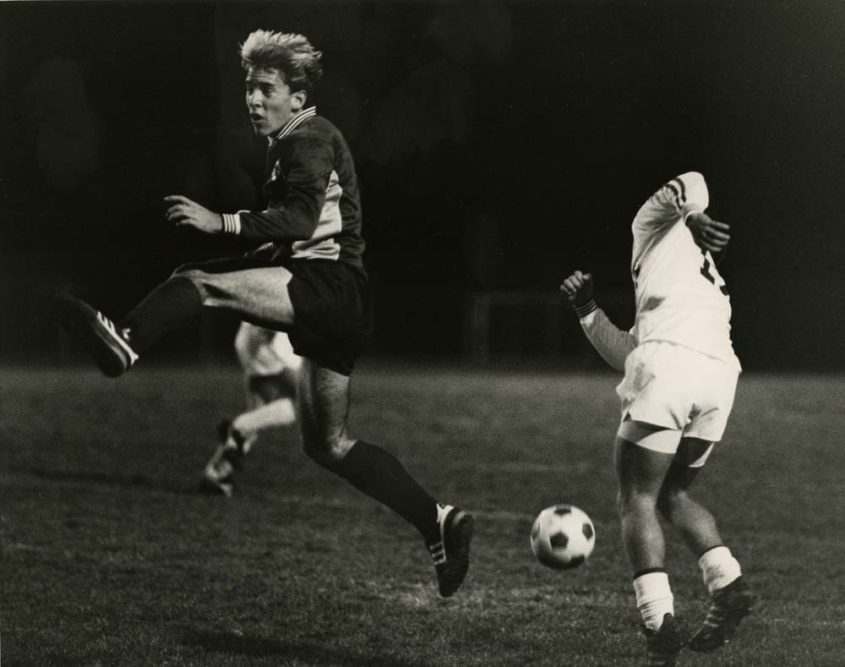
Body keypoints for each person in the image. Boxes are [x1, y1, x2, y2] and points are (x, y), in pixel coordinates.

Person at [57, 29, 474, 598]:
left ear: (296, 97)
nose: (253, 100)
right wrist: (250, 246)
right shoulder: (294, 142)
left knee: (196, 281)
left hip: (326, 288)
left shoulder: (308, 137)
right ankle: (439, 522)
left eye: (265, 89)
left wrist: (221, 221)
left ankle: (125, 341)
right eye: (248, 89)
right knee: (327, 444)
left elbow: (301, 224)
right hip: (343, 299)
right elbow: (299, 230)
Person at [560, 171, 755, 665]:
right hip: (719, 374)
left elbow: (692, 181)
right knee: (674, 494)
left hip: (672, 365)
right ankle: (727, 584)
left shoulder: (649, 223)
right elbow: (633, 351)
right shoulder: (692, 275)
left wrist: (697, 214)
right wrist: (588, 310)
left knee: (636, 497)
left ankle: (657, 623)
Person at [200, 323, 301, 497]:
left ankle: (216, 474)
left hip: (256, 341)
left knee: (258, 413)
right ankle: (236, 427)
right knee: (306, 402)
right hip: (268, 342)